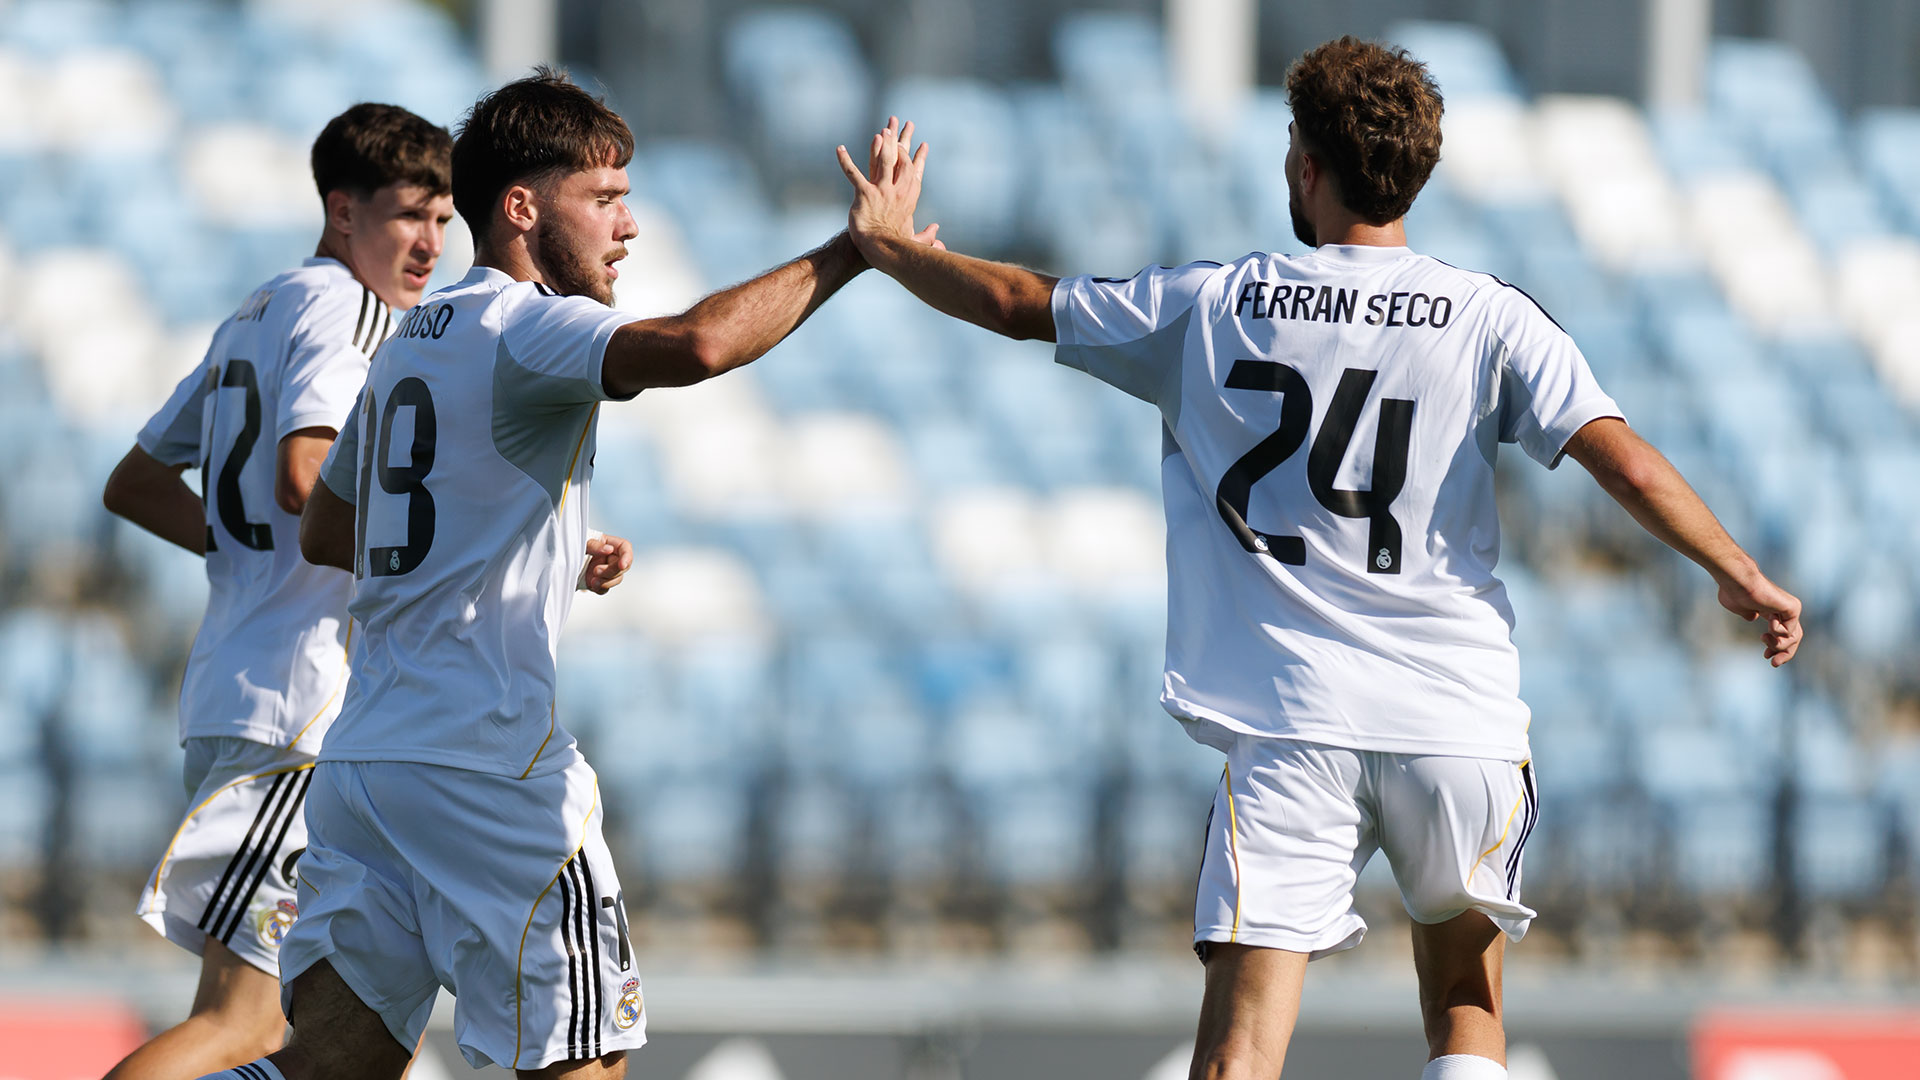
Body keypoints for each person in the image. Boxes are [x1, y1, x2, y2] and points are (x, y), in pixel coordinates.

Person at [836, 39, 1802, 1080]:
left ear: (1305, 163)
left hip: (1295, 724)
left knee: (1243, 1048)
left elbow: (1026, 303)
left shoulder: (1214, 304)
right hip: (1456, 718)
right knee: (1468, 1015)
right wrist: (1734, 570)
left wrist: (896, 247)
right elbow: (1630, 469)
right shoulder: (1489, 314)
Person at [196, 70, 936, 1080]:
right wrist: (861, 248)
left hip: (369, 770)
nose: (628, 226)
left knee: (321, 1069)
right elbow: (701, 344)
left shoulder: (413, 339)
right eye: (605, 198)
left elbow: (330, 532)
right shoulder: (524, 323)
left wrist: (518, 536)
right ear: (521, 209)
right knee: (583, 1065)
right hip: (492, 772)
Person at [101, 102, 456, 1080]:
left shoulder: (259, 309)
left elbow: (134, 481)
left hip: (241, 681)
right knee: (242, 1025)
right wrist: (440, 552)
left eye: (443, 217)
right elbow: (309, 474)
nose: (429, 242)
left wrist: (240, 549)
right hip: (298, 711)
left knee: (328, 1027)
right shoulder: (352, 310)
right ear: (343, 212)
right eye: (406, 217)